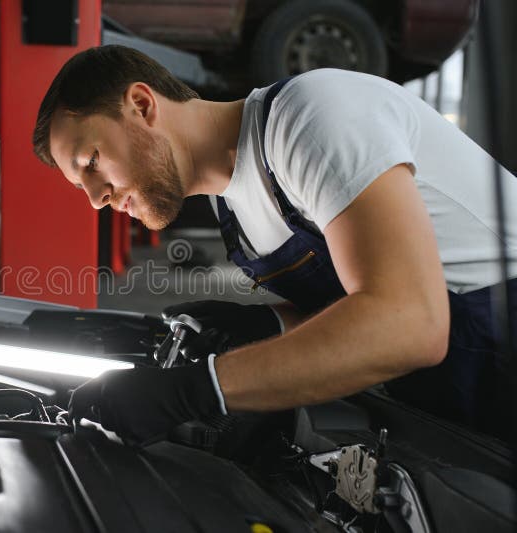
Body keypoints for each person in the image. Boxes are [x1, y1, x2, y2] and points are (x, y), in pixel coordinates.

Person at [31, 45, 517, 445]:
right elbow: (356, 312)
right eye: (82, 187)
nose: (97, 199)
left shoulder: (312, 118)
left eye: (91, 160)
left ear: (141, 104)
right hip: (460, 407)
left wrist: (198, 390)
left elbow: (409, 324)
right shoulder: (235, 211)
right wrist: (267, 324)